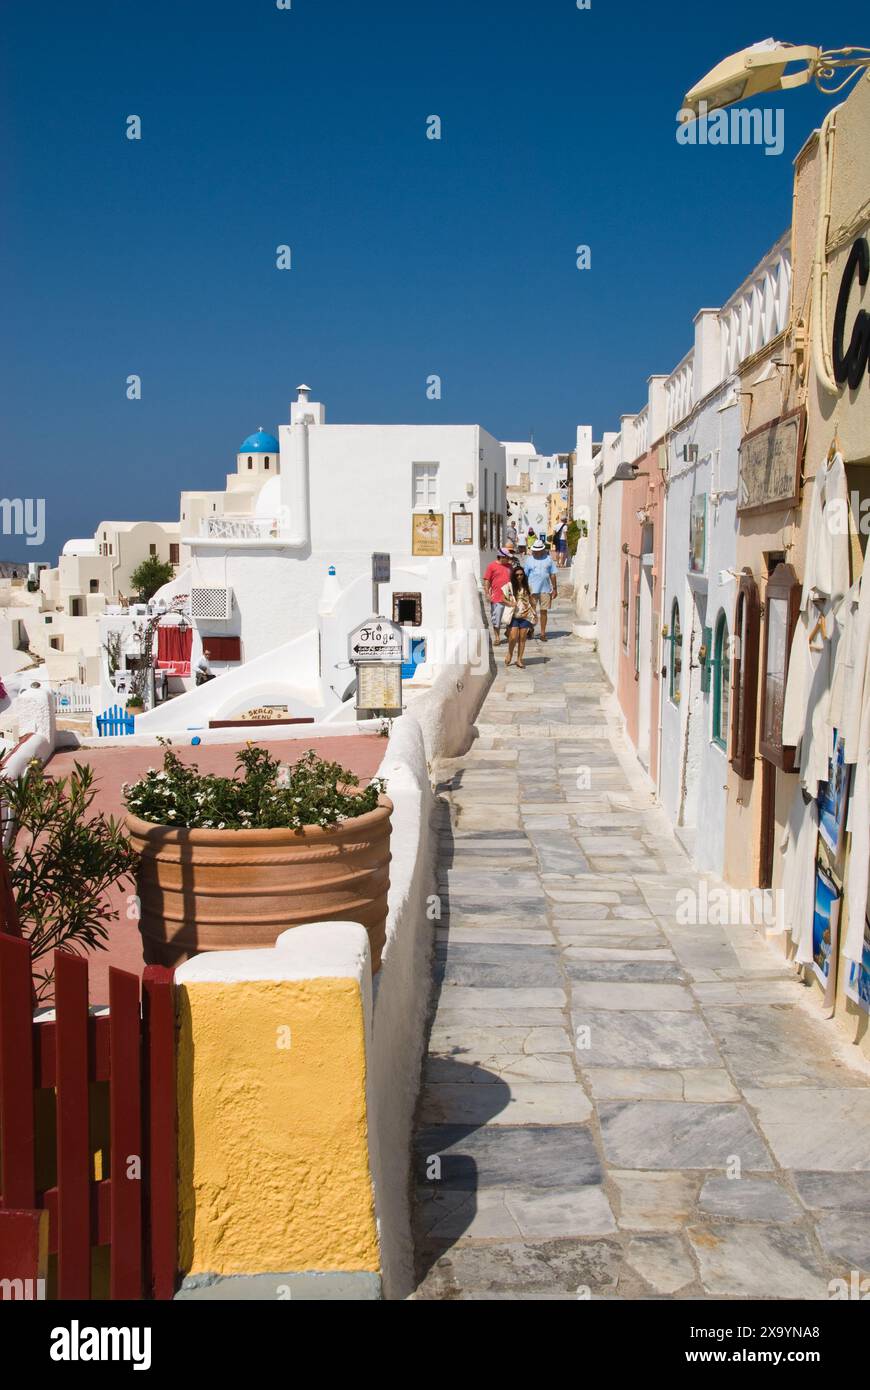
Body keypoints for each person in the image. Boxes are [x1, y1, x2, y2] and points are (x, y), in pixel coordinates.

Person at [524, 538, 558, 642]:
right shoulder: (529, 559)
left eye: (539, 550)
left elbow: (552, 574)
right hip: (532, 589)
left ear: (542, 550)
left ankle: (543, 633)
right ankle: (531, 629)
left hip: (545, 589)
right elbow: (525, 575)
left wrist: (555, 588)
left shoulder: (548, 559)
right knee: (532, 611)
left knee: (544, 612)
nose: (537, 552)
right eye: (535, 550)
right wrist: (524, 589)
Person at [503, 563, 536, 669]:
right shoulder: (509, 586)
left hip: (525, 615)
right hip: (514, 615)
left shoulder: (527, 586)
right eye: (517, 575)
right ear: (514, 576)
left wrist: (535, 613)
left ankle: (519, 659)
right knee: (513, 637)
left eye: (521, 574)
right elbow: (502, 598)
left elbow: (532, 600)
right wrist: (510, 603)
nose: (519, 577)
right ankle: (510, 653)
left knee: (522, 638)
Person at [483, 547, 514, 646]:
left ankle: (508, 632)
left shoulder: (510, 566)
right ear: (501, 557)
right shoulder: (491, 566)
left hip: (509, 597)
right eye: (507, 557)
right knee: (496, 619)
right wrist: (487, 593)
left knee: (511, 617)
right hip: (497, 598)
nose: (508, 559)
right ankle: (497, 637)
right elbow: (487, 580)